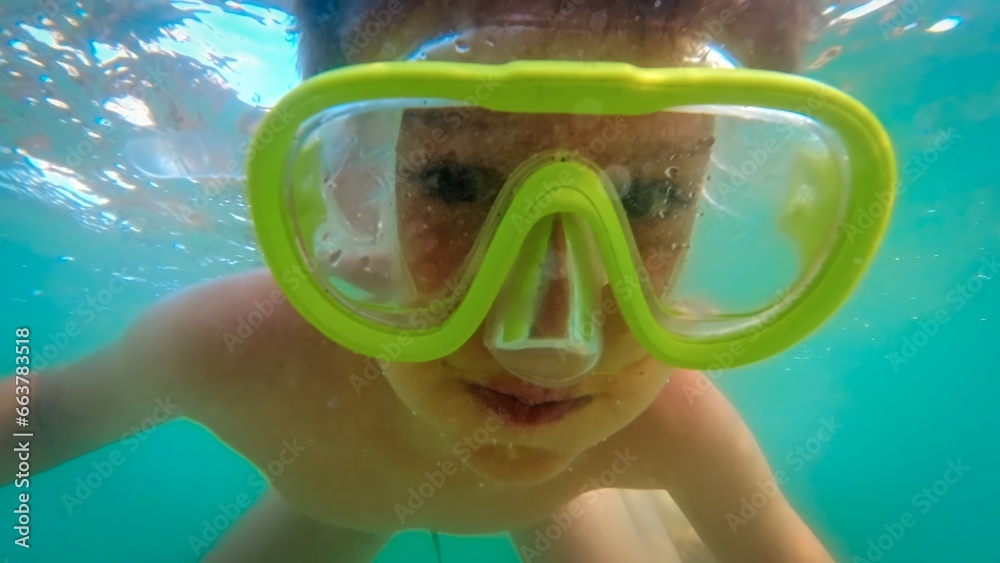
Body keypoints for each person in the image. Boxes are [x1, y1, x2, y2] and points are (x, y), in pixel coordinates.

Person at [3, 1, 860, 561]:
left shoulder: (673, 418)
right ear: (348, 179)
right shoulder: (232, 346)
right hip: (332, 483)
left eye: (651, 197)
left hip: (519, 493)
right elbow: (37, 421)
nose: (550, 343)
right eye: (457, 183)